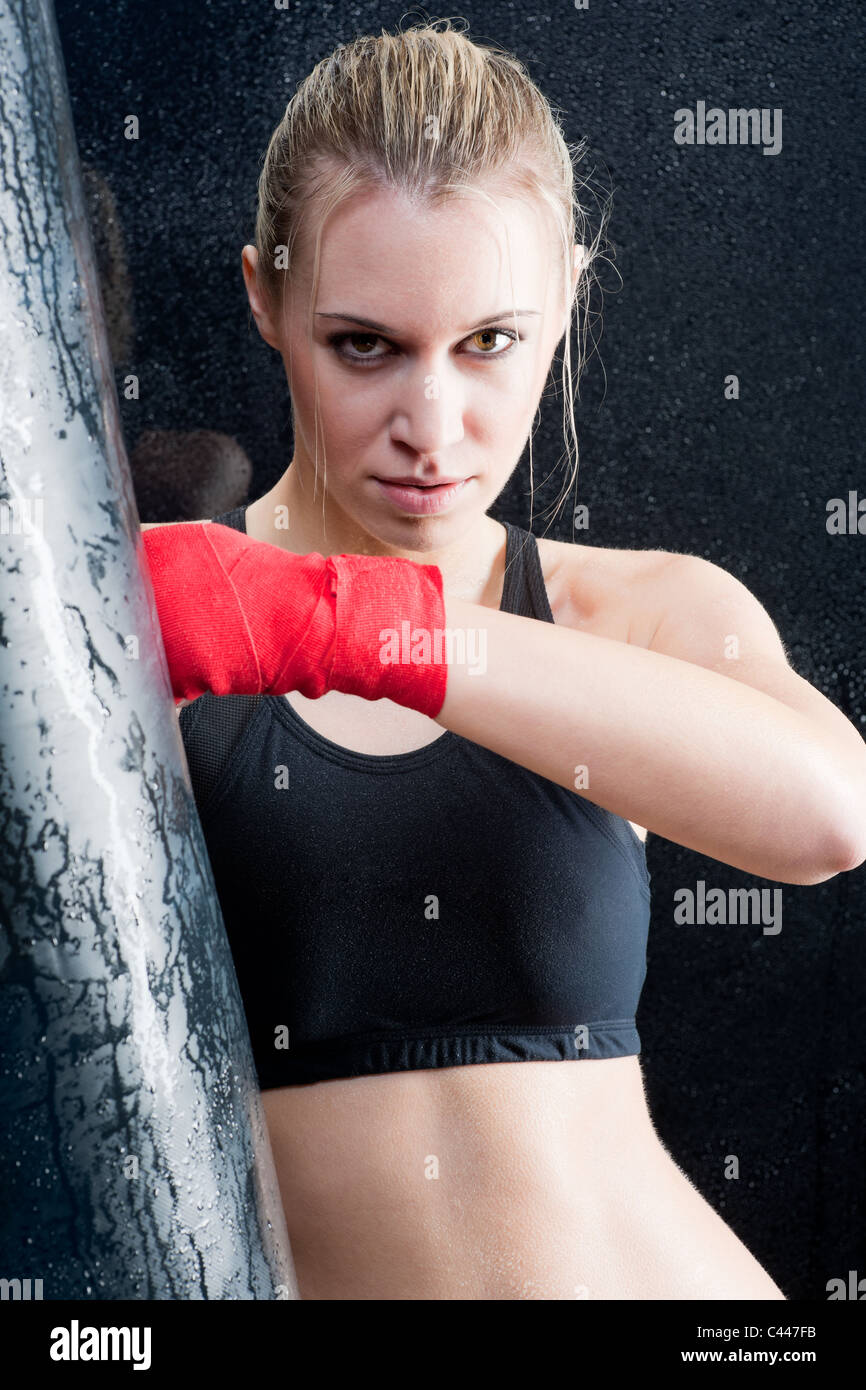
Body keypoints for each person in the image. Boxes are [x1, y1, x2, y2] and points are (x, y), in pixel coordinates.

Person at [143, 19, 866, 1299]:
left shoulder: (625, 610)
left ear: (568, 301)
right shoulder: (163, 613)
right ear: (263, 296)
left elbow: (828, 813)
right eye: (364, 344)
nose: (433, 426)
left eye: (488, 342)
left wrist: (337, 620)